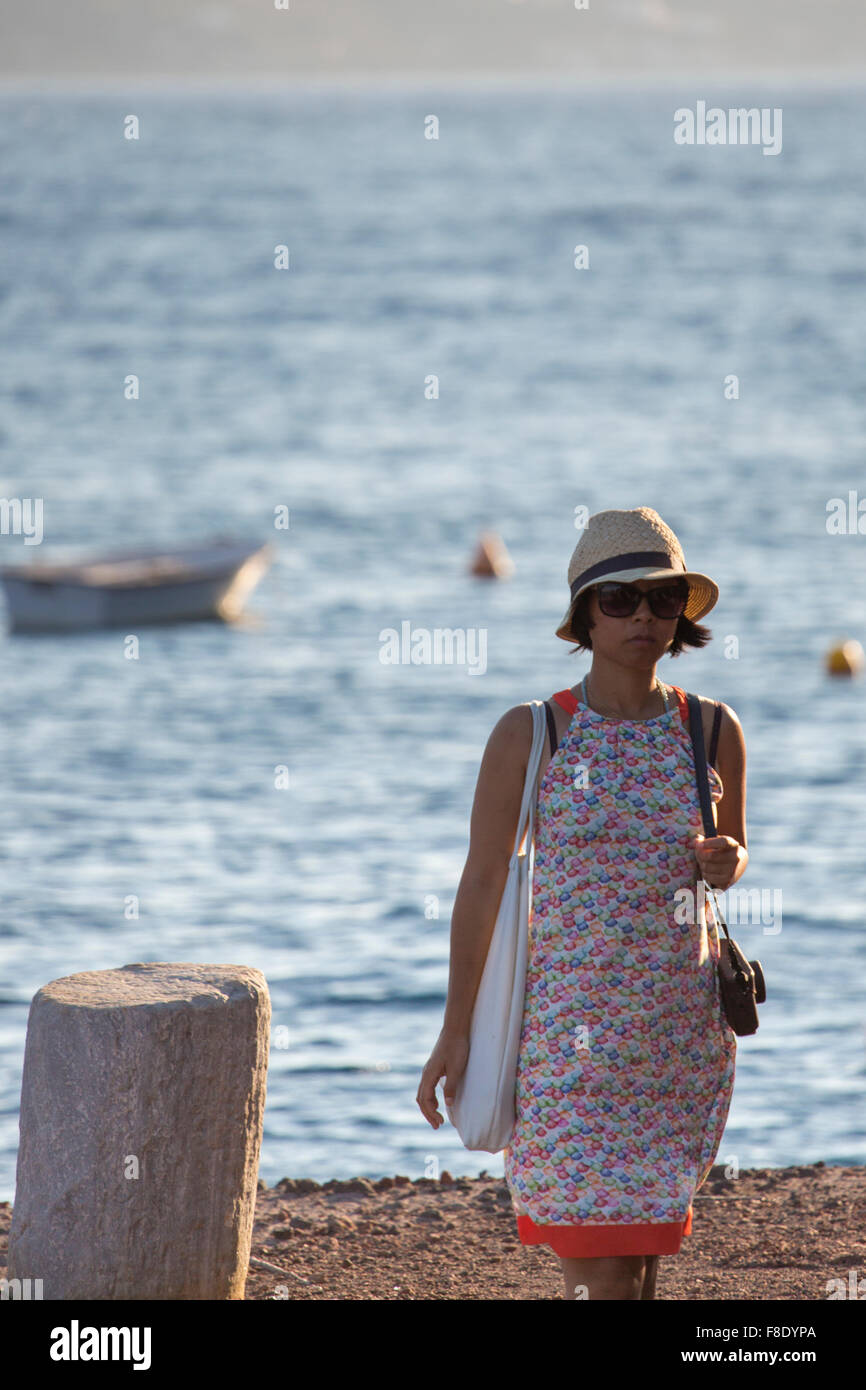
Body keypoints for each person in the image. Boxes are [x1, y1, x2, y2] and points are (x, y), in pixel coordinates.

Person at [417, 506, 748, 1300]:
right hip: (566, 1043)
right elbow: (482, 886)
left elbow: (729, 860)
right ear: (583, 615)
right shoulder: (532, 735)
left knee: (639, 1267)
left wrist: (728, 860)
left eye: (662, 599)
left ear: (681, 615)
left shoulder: (711, 729)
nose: (642, 617)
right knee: (594, 1267)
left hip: (676, 1032)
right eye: (620, 600)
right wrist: (455, 1030)